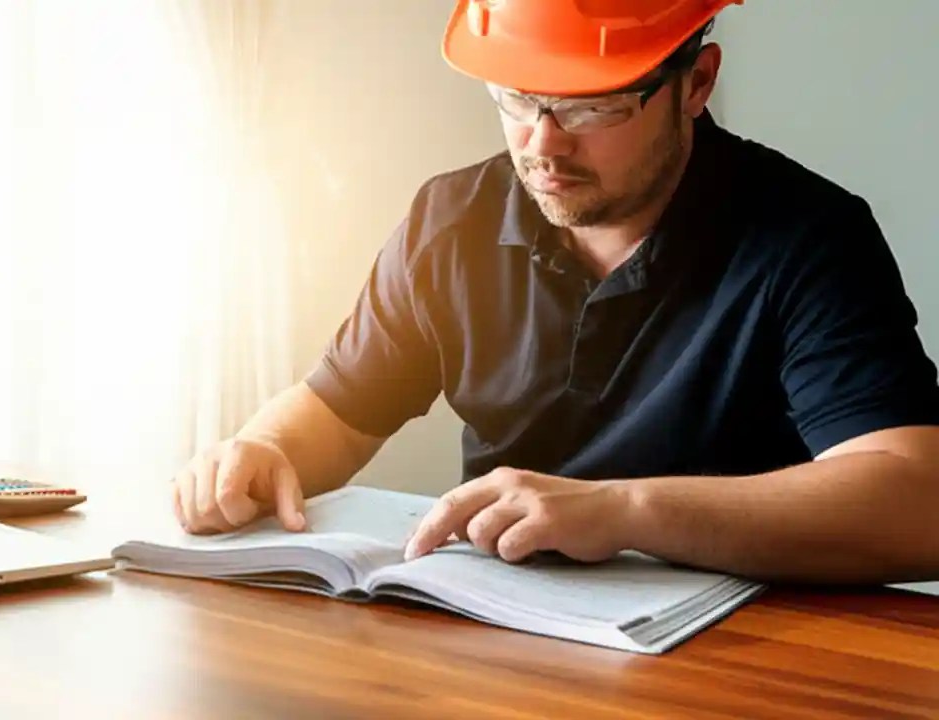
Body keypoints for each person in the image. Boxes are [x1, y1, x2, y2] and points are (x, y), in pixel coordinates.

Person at [170, 0, 939, 584]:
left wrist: (626, 511)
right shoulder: (450, 219)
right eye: (517, 96)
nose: (543, 141)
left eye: (591, 104)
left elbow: (917, 500)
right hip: (500, 630)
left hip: (739, 651)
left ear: (696, 83)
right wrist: (264, 450)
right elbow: (335, 415)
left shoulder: (806, 237)